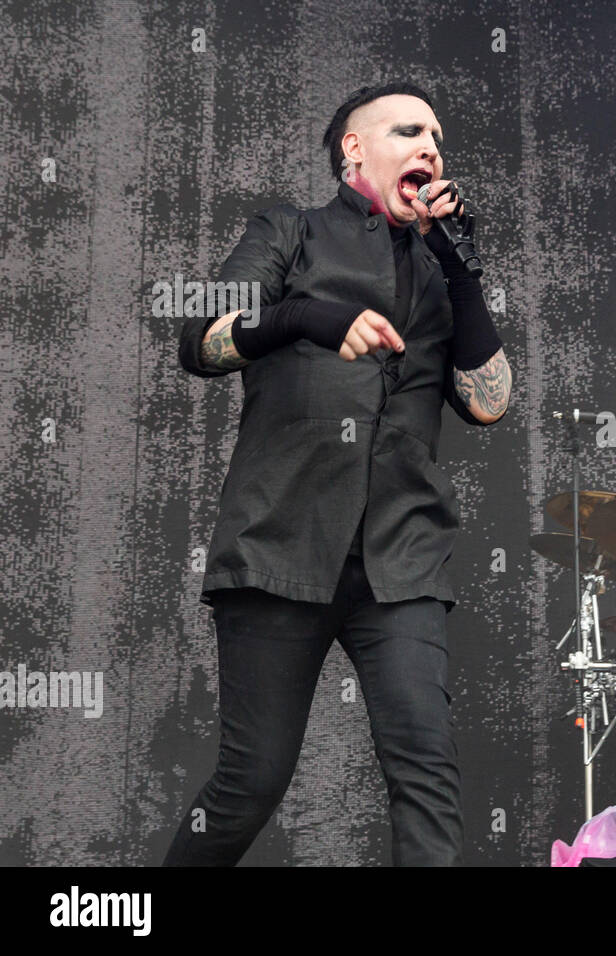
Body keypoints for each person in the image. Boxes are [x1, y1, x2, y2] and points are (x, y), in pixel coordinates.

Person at [165, 82, 509, 866]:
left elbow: (488, 403)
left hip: (402, 559)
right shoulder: (290, 232)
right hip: (280, 548)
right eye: (408, 130)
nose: (430, 147)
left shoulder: (437, 269)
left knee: (427, 768)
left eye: (438, 137)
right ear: (353, 149)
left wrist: (463, 273)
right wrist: (301, 317)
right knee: (250, 781)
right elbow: (198, 340)